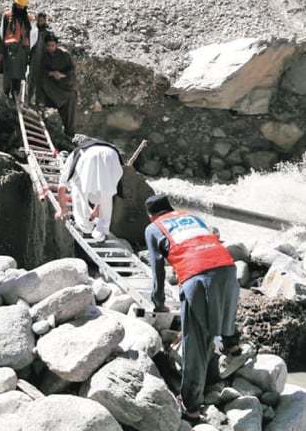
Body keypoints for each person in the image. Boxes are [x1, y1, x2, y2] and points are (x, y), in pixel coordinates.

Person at [143, 194, 252, 421]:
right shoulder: (192, 218)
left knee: (196, 339)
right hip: (227, 267)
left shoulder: (154, 228)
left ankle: (191, 404)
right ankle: (232, 344)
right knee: (225, 307)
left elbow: (158, 270)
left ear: (151, 216)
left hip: (197, 277)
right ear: (171, 208)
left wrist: (158, 302)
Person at [56, 134, 123, 243]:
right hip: (113, 154)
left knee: (78, 188)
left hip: (91, 157)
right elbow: (102, 185)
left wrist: (63, 208)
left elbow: (62, 185)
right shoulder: (100, 145)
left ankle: (85, 226)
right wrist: (97, 208)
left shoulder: (76, 153)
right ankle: (100, 233)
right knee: (106, 193)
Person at [41, 33, 76, 135]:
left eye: (52, 45)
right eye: (48, 46)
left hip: (64, 86)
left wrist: (61, 75)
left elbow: (71, 72)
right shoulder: (43, 56)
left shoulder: (65, 56)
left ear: (56, 45)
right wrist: (51, 73)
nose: (50, 48)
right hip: (50, 86)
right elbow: (41, 71)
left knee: (70, 101)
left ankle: (69, 132)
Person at [0, 0, 32, 101]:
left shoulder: (26, 18)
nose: (20, 8)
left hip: (22, 51)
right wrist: (1, 52)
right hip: (11, 50)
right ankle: (7, 95)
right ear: (15, 4)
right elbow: (2, 34)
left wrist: (28, 52)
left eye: (22, 6)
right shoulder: (7, 16)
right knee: (9, 73)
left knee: (19, 75)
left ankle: (15, 96)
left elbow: (28, 36)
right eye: (18, 5)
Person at [26, 12, 50, 106]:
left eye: (42, 20)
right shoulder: (33, 30)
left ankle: (38, 102)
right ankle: (28, 100)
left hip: (43, 60)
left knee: (41, 81)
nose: (41, 22)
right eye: (39, 20)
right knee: (31, 79)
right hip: (33, 59)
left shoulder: (47, 33)